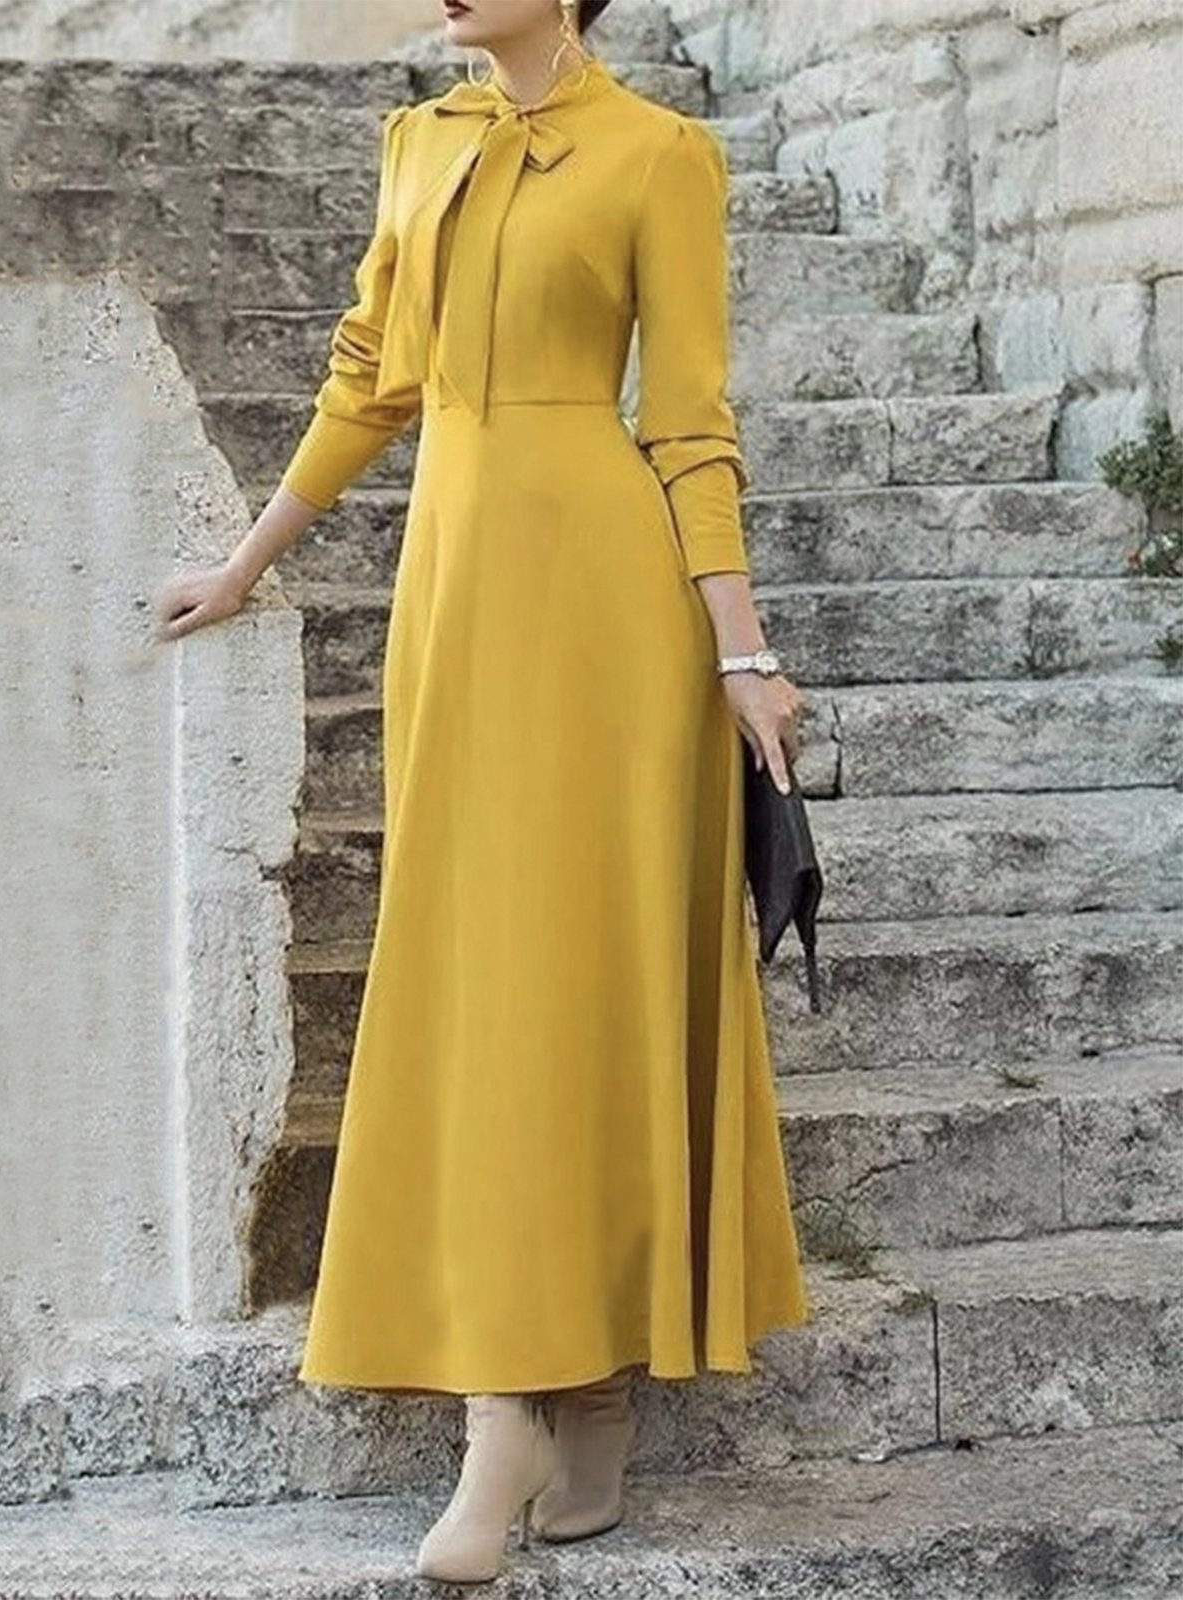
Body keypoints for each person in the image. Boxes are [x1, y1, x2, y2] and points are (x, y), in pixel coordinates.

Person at [154, 0, 809, 1583]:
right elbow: (370, 376)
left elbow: (689, 419)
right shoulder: (418, 141)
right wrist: (247, 562)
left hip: (609, 608)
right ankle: (567, 1394)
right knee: (490, 986)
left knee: (577, 986)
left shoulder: (661, 154)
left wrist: (741, 654)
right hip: (454, 597)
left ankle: (517, 1412)